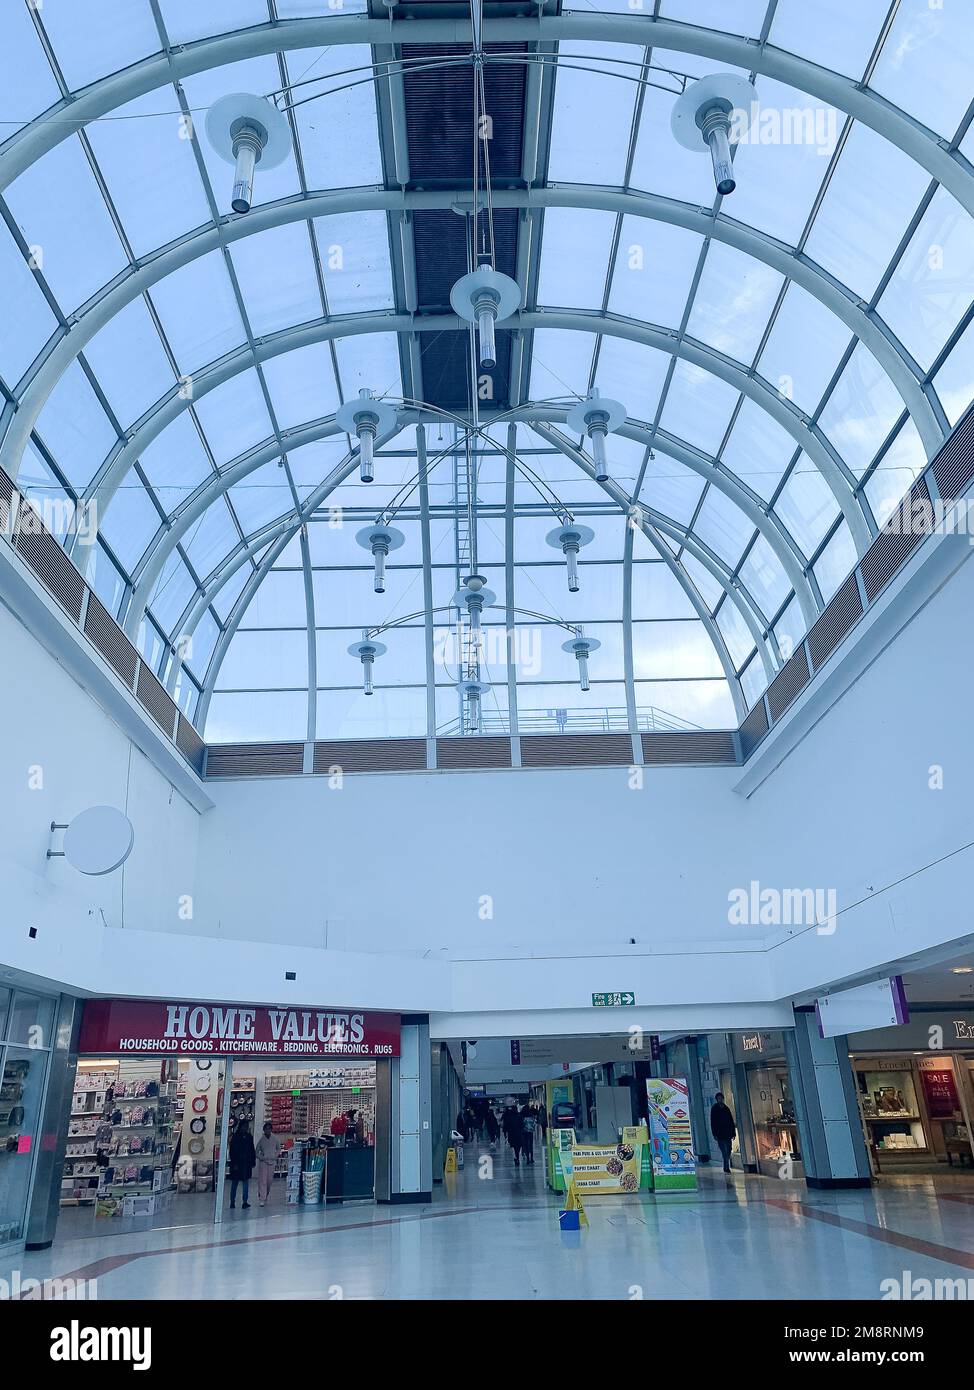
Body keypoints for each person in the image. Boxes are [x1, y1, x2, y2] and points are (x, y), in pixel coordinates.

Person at [228, 1120, 255, 1209]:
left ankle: (245, 1201)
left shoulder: (249, 1137)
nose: (245, 1128)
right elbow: (232, 1151)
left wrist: (252, 1161)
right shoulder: (235, 1137)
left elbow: (252, 1150)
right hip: (237, 1163)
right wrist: (234, 1162)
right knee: (235, 1183)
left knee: (246, 1182)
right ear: (240, 1126)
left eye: (246, 1126)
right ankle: (232, 1201)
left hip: (246, 1164)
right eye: (244, 1126)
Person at [255, 1121, 281, 1207]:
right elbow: (256, 1151)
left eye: (269, 1129)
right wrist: (261, 1157)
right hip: (263, 1163)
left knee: (269, 1181)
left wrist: (275, 1155)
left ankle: (265, 1194)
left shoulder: (275, 1138)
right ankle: (262, 1198)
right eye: (266, 1129)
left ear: (271, 1129)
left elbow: (278, 1148)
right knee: (263, 1180)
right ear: (264, 1130)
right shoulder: (261, 1140)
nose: (267, 1130)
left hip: (272, 1162)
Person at [710, 1092, 736, 1173]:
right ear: (717, 1099)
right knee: (724, 1151)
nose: (720, 1099)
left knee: (729, 1150)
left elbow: (731, 1120)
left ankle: (726, 1165)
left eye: (721, 1098)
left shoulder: (726, 1108)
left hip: (727, 1133)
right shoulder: (714, 1109)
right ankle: (726, 1167)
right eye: (719, 1098)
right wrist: (714, 1134)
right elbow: (713, 1122)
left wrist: (733, 1133)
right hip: (720, 1134)